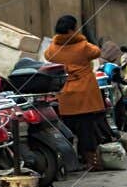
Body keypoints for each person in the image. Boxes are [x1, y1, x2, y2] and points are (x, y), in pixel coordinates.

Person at [44, 15, 106, 170]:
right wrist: (81, 38)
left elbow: (47, 56)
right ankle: (91, 161)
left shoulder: (53, 47)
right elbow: (96, 52)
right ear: (72, 29)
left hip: (65, 92)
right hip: (84, 92)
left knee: (70, 127)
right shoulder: (83, 45)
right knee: (86, 129)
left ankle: (71, 161)